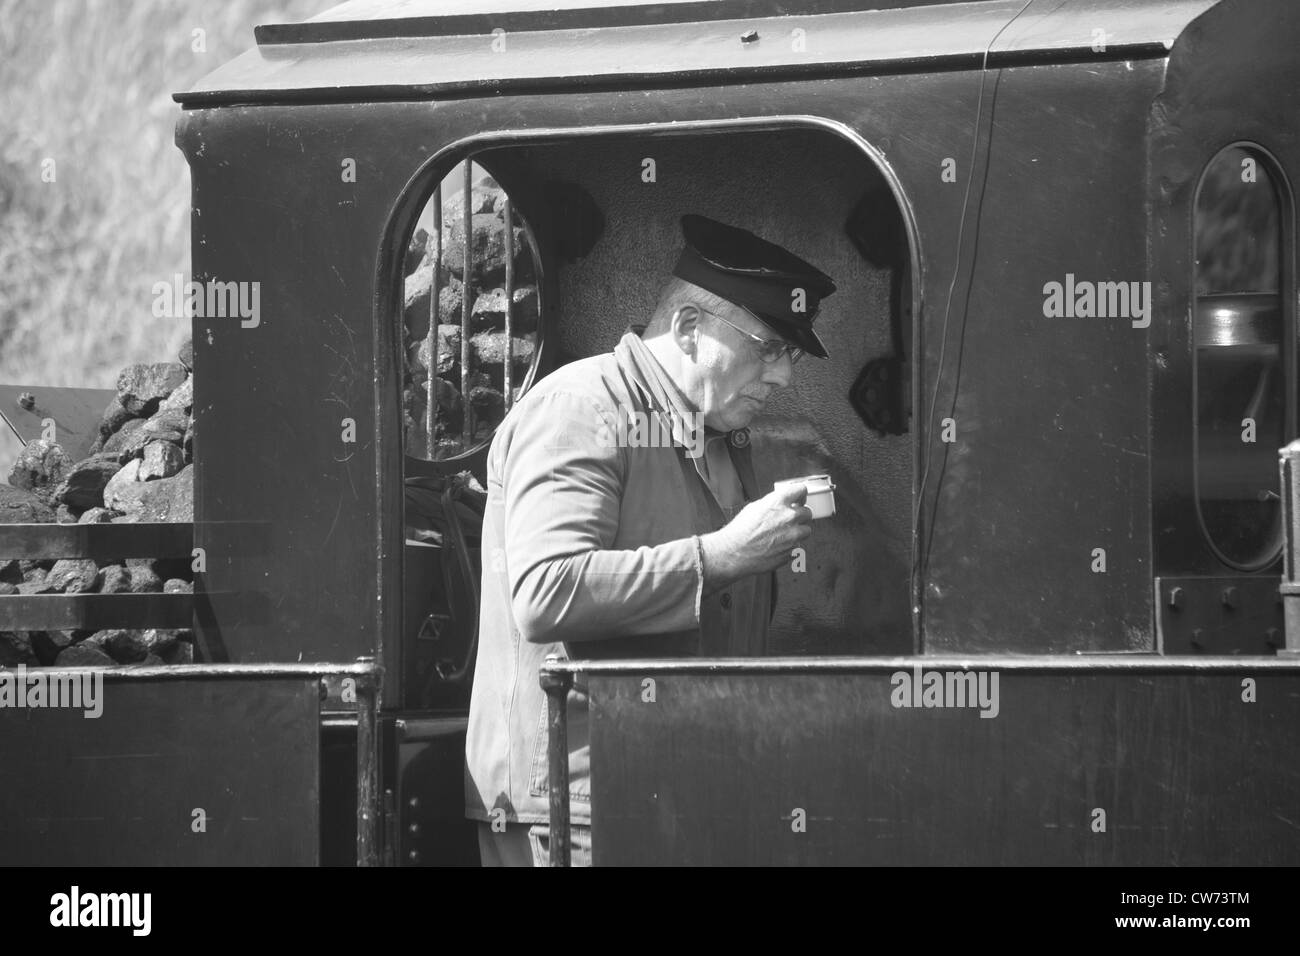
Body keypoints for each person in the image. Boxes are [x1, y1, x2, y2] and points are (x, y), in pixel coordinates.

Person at [464, 214, 837, 866]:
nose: (781, 378)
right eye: (768, 348)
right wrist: (724, 554)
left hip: (674, 790)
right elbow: (544, 591)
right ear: (688, 328)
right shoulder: (582, 409)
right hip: (579, 804)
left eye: (791, 356)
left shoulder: (711, 433)